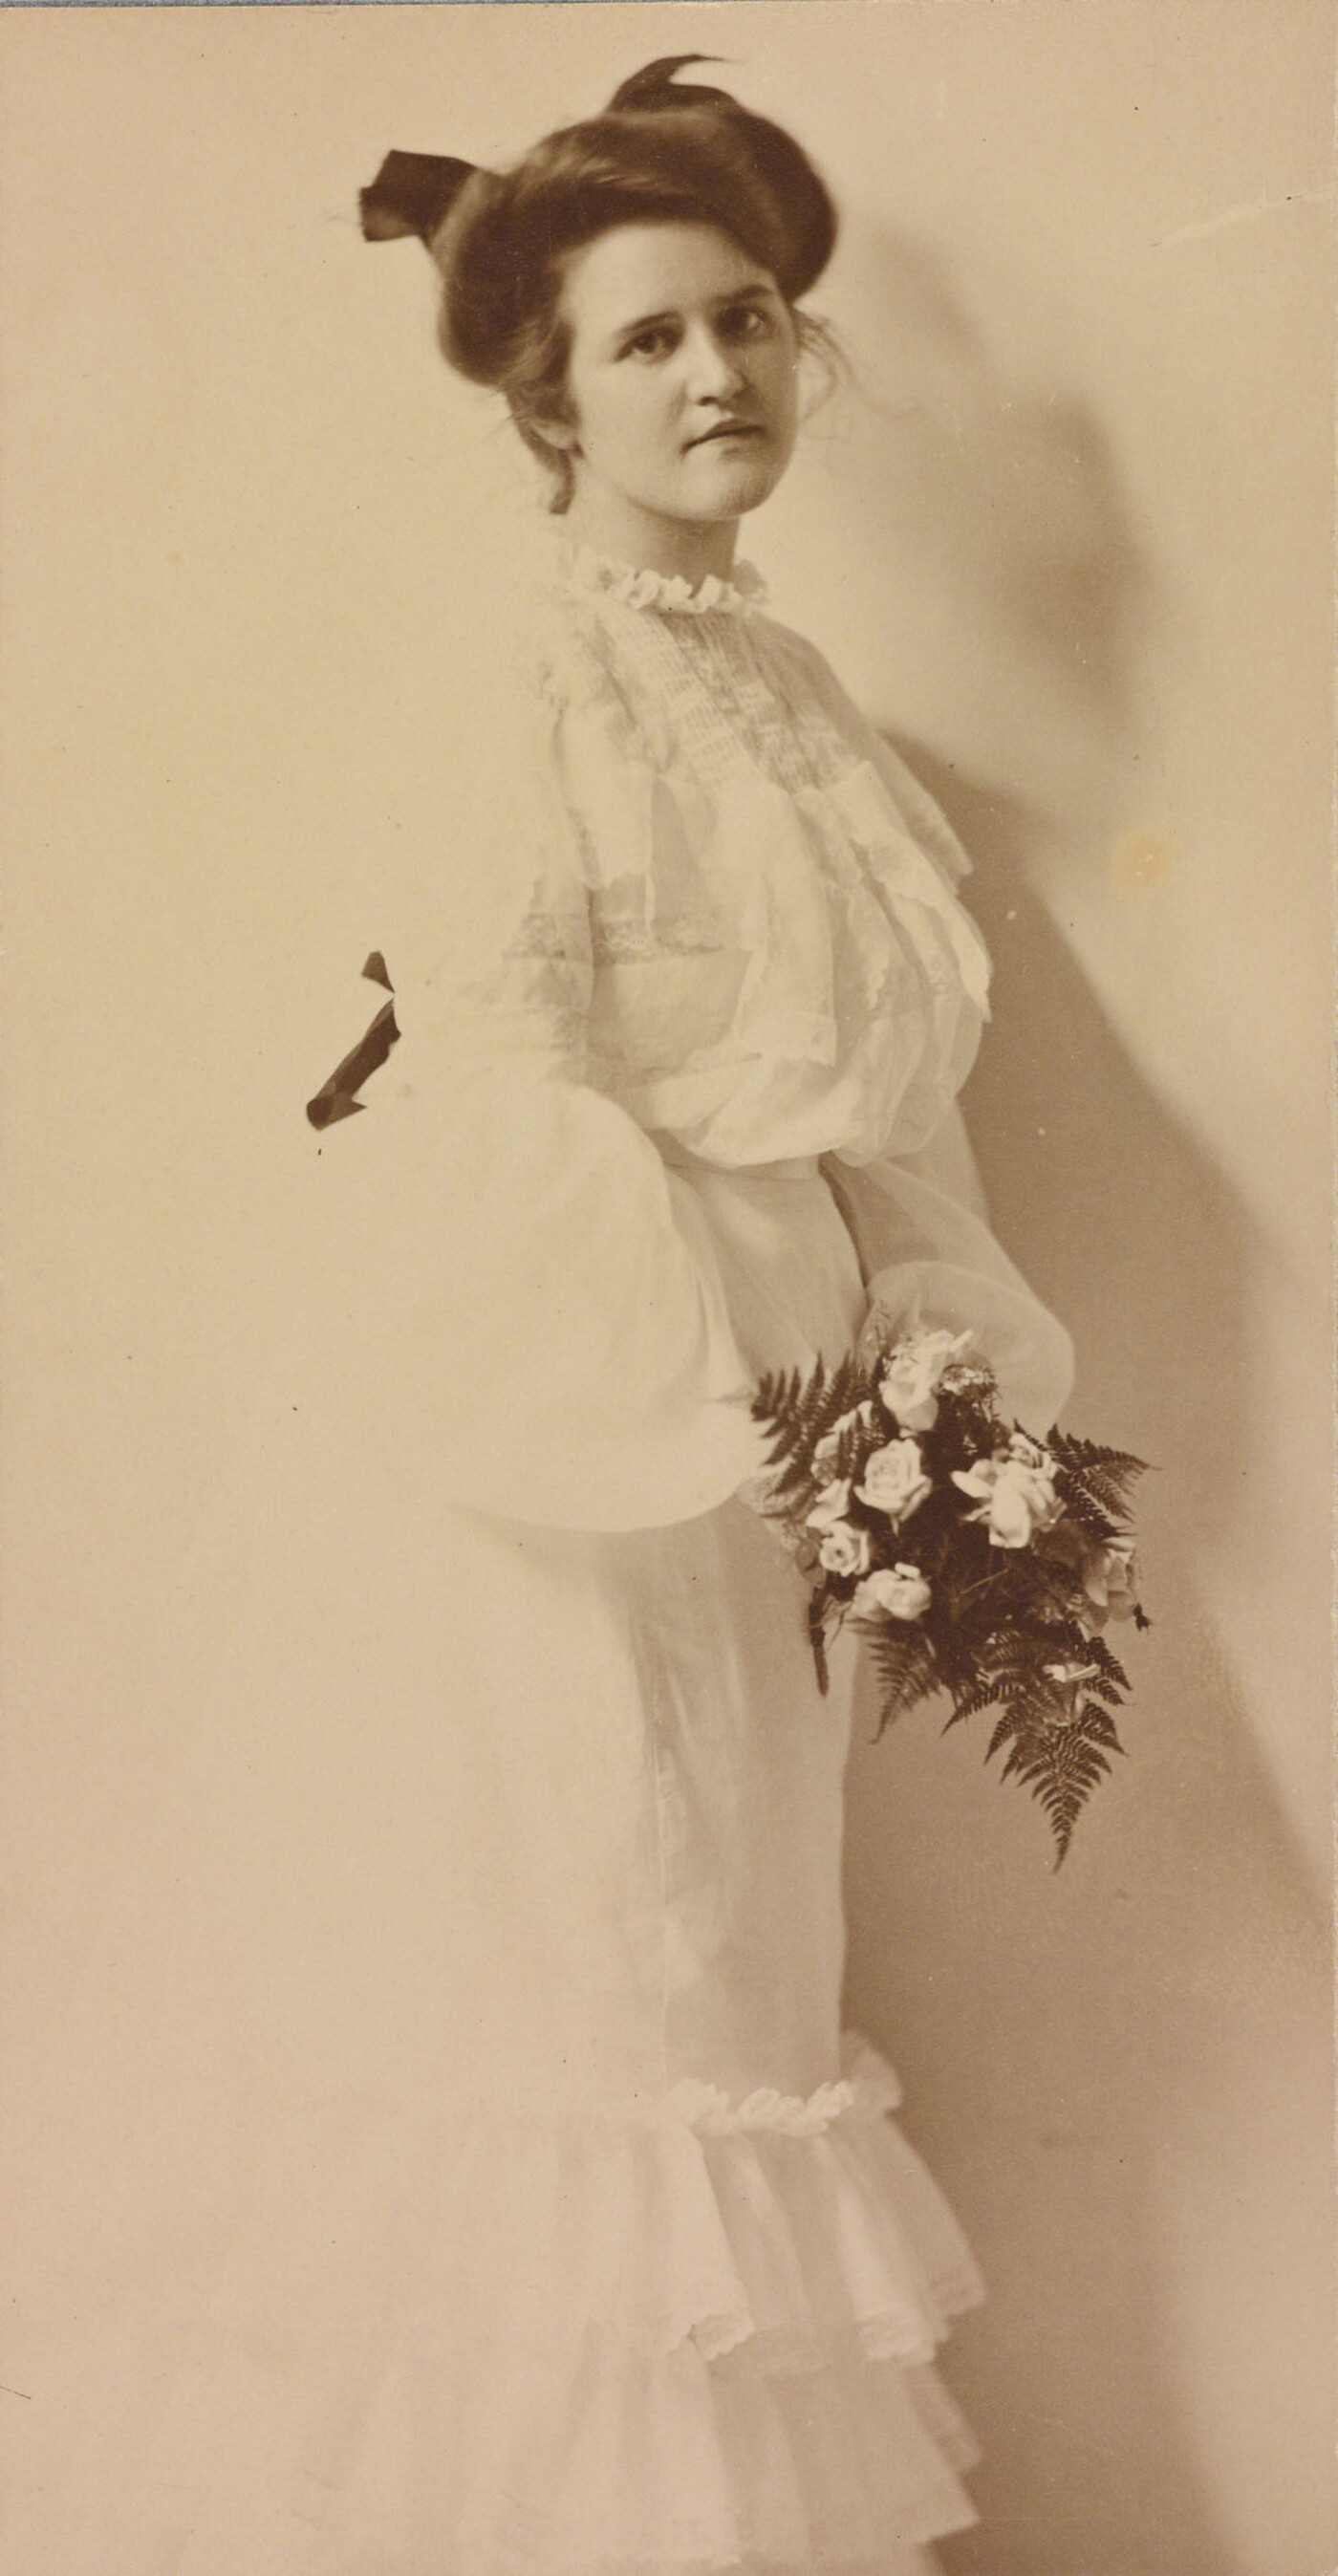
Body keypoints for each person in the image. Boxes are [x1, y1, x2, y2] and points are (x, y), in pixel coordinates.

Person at [1, 56, 1073, 2576]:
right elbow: (496, 1093)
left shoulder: (806, 704)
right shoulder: (513, 678)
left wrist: (941, 1370)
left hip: (770, 1472)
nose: (720, 378)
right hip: (553, 1450)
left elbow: (896, 1106)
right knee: (582, 2013)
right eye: (647, 342)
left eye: (755, 323)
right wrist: (722, 1380)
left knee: (719, 2001)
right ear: (542, 395)